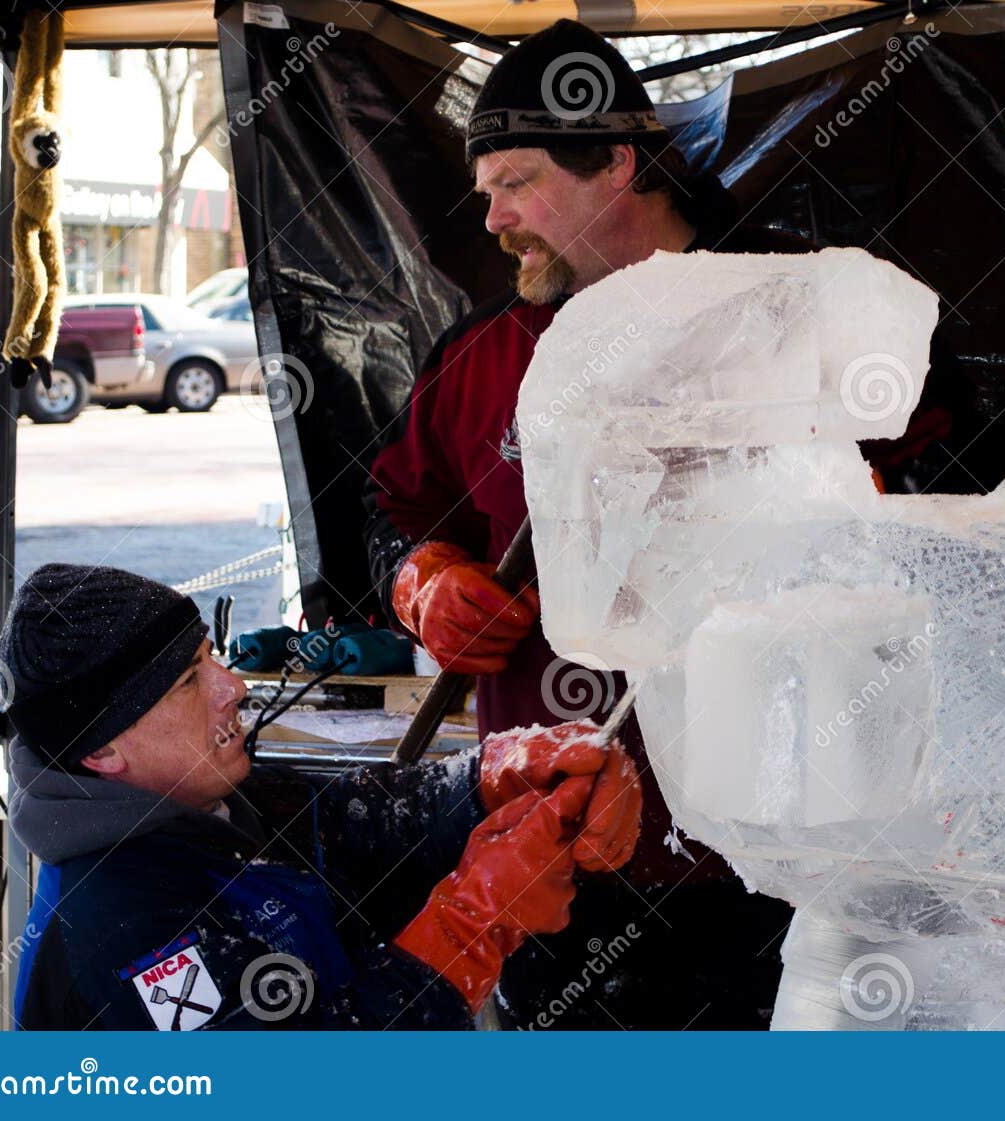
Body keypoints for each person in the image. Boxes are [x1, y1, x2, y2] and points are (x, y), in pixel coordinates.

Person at [362, 19, 956, 1028]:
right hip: (551, 855)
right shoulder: (480, 356)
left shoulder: (795, 317)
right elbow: (394, 507)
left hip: (778, 854)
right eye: (486, 190)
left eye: (518, 182)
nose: (496, 219)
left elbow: (950, 516)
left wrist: (834, 528)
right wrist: (424, 580)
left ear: (618, 163)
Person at [2, 562, 640, 1030]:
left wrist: (497, 776)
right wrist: (472, 926)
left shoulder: (202, 800)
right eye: (189, 681)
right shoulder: (123, 924)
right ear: (102, 752)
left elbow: (350, 824)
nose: (234, 688)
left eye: (209, 656)